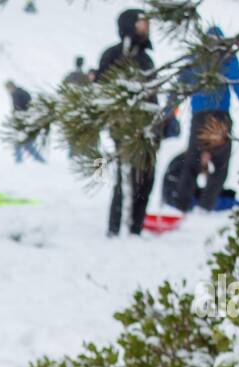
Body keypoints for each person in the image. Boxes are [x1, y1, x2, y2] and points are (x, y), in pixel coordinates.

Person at [175, 26, 239, 213]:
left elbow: (179, 87)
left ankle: (182, 204)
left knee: (192, 162)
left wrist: (169, 114)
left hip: (200, 117)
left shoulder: (196, 58)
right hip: (220, 117)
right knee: (220, 165)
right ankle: (205, 206)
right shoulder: (226, 57)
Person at [97, 8, 158, 237]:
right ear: (129, 25)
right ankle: (115, 229)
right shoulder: (113, 55)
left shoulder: (146, 59)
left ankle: (136, 228)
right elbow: (102, 90)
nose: (146, 28)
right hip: (122, 128)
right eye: (141, 24)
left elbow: (153, 96)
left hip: (147, 130)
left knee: (146, 178)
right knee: (124, 178)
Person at [5, 80, 45, 163]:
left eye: (8, 88)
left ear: (11, 87)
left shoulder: (16, 94)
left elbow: (19, 108)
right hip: (28, 120)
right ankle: (40, 161)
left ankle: (18, 163)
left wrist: (17, 116)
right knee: (26, 144)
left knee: (21, 142)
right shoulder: (22, 92)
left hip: (23, 121)